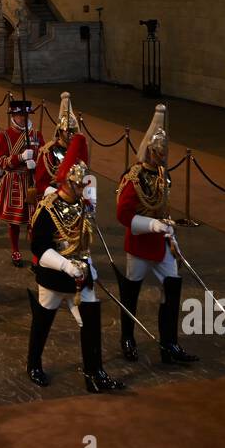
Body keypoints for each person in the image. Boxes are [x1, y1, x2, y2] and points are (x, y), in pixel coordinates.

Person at [27, 135, 126, 393]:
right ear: (68, 181)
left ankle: (95, 372)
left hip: (81, 277)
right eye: (80, 184)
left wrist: (88, 265)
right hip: (54, 277)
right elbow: (39, 247)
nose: (83, 188)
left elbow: (83, 243)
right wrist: (65, 266)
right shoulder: (47, 209)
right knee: (43, 320)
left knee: (91, 322)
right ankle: (34, 364)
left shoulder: (83, 207)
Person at [115, 105, 197, 364]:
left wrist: (167, 229)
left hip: (162, 244)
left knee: (171, 290)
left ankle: (169, 343)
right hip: (140, 244)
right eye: (158, 152)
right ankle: (127, 338)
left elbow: (162, 205)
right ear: (149, 150)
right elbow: (123, 216)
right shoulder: (133, 179)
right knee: (131, 292)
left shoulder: (164, 175)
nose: (162, 157)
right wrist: (152, 226)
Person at [0, 99, 41, 267]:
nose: (22, 118)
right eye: (19, 115)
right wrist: (19, 158)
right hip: (13, 181)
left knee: (34, 220)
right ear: (13, 115)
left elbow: (43, 156)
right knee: (14, 221)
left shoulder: (36, 135)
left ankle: (36, 254)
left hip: (32, 182)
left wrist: (36, 163)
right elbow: (1, 162)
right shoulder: (3, 136)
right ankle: (15, 249)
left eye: (25, 115)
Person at [36, 92, 86, 198]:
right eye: (67, 131)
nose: (71, 135)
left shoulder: (78, 151)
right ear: (60, 131)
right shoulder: (48, 152)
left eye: (73, 131)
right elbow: (40, 184)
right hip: (54, 197)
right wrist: (57, 194)